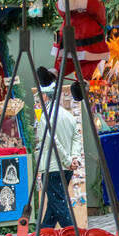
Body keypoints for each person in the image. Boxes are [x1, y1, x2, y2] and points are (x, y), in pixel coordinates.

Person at [37, 80, 80, 227]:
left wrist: (69, 160)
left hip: (53, 167)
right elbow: (76, 138)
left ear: (44, 97)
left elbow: (52, 142)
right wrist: (74, 158)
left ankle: (74, 235)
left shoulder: (45, 116)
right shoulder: (68, 116)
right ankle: (44, 233)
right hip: (65, 168)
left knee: (59, 205)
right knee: (54, 204)